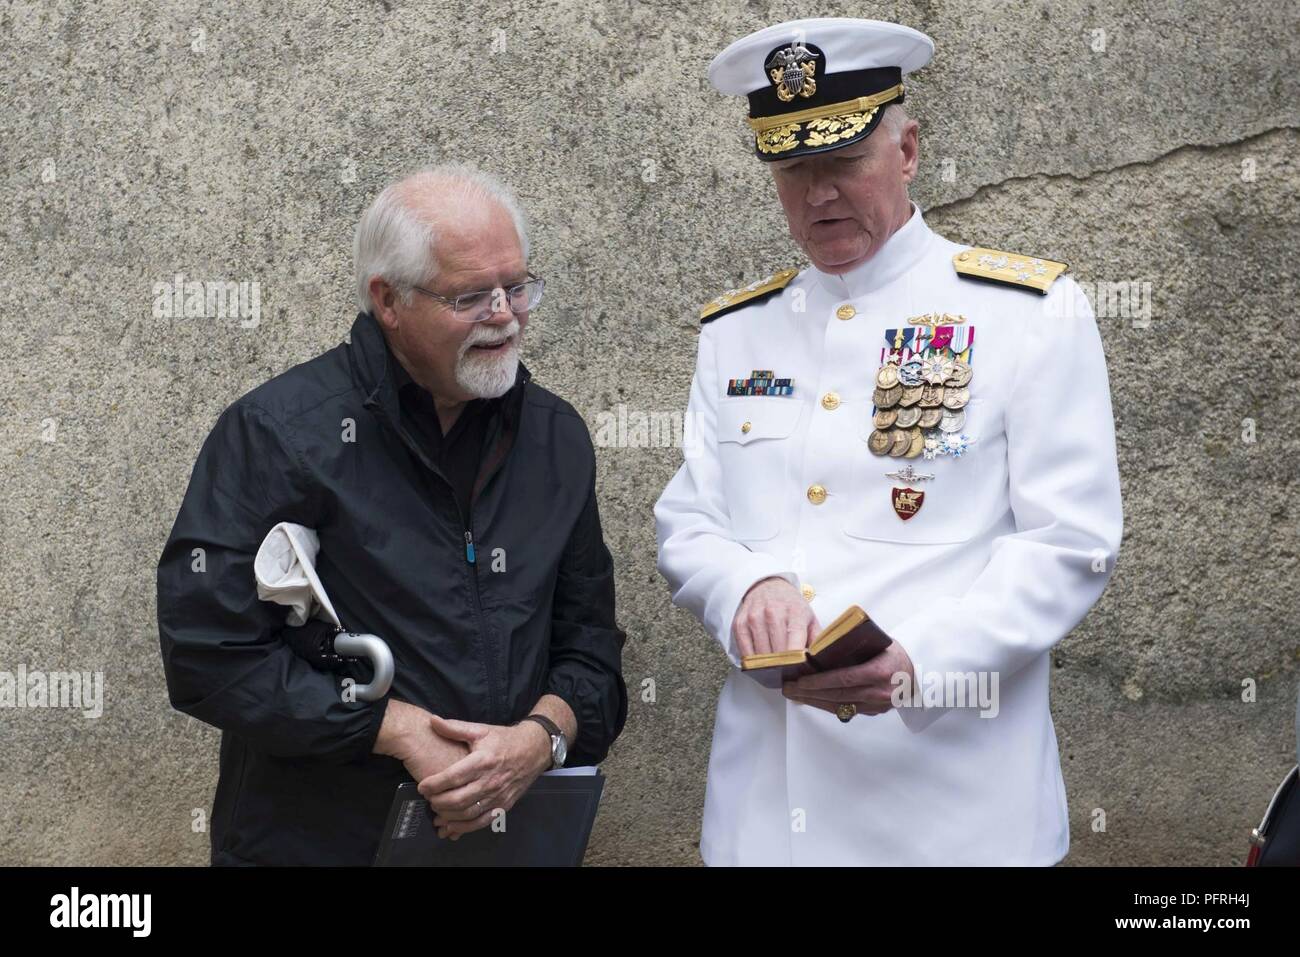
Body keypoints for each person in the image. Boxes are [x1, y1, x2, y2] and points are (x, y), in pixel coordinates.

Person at [655, 17, 1123, 865]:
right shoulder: (738, 332)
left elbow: (1071, 543)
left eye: (842, 161)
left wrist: (924, 660)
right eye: (793, 169)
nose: (819, 193)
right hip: (769, 811)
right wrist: (746, 585)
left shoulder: (1028, 313)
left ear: (907, 151)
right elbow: (690, 519)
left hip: (954, 808)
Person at [158, 165, 627, 865]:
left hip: (505, 846)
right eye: (470, 295)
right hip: (316, 847)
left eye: (517, 286)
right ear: (389, 300)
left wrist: (540, 739)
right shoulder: (279, 434)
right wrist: (388, 725)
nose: (505, 313)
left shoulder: (555, 438)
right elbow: (206, 654)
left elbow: (590, 648)